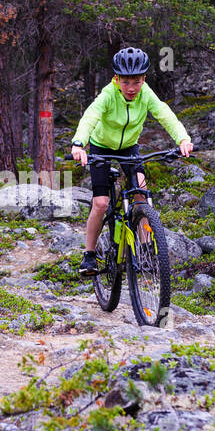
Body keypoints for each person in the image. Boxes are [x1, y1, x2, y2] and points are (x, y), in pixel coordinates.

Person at [70, 47, 193, 275]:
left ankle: (145, 248)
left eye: (136, 82)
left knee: (141, 194)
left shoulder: (145, 93)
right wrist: (79, 143)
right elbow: (91, 116)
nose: (131, 88)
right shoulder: (108, 94)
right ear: (116, 79)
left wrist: (183, 139)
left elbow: (164, 114)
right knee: (101, 203)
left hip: (129, 149)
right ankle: (89, 255)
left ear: (143, 79)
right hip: (101, 148)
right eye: (125, 82)